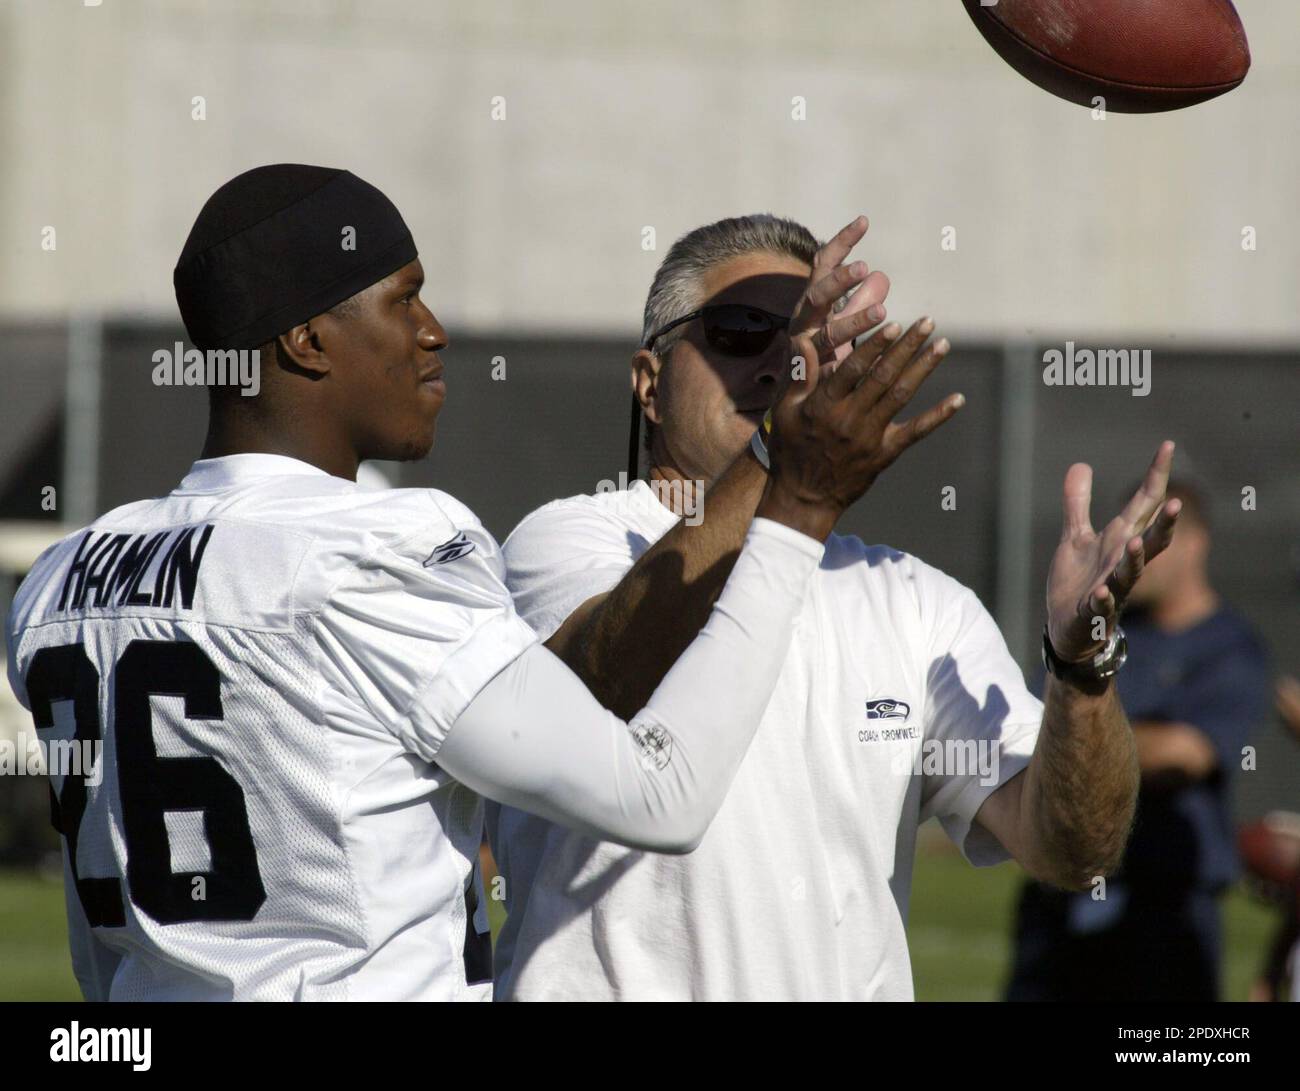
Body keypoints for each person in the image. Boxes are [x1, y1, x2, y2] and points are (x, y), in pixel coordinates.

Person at [4, 167, 906, 1001]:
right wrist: (789, 486)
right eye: (404, 301)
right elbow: (658, 793)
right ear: (309, 340)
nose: (433, 332)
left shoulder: (60, 582)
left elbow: (104, 945)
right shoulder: (375, 549)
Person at [488, 213, 1180, 1000]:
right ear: (650, 381)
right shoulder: (571, 541)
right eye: (744, 330)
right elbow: (601, 682)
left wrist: (1081, 668)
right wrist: (778, 456)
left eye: (810, 341)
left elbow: (1071, 850)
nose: (787, 363)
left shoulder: (916, 602)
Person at [1006, 480, 1270, 1001]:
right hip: (1061, 898)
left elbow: (1185, 755)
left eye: (1147, 542)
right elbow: (1035, 724)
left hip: (1165, 913)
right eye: (1125, 541)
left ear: (1192, 543)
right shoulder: (1102, 632)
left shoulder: (1231, 648)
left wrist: (1084, 737)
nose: (1132, 558)